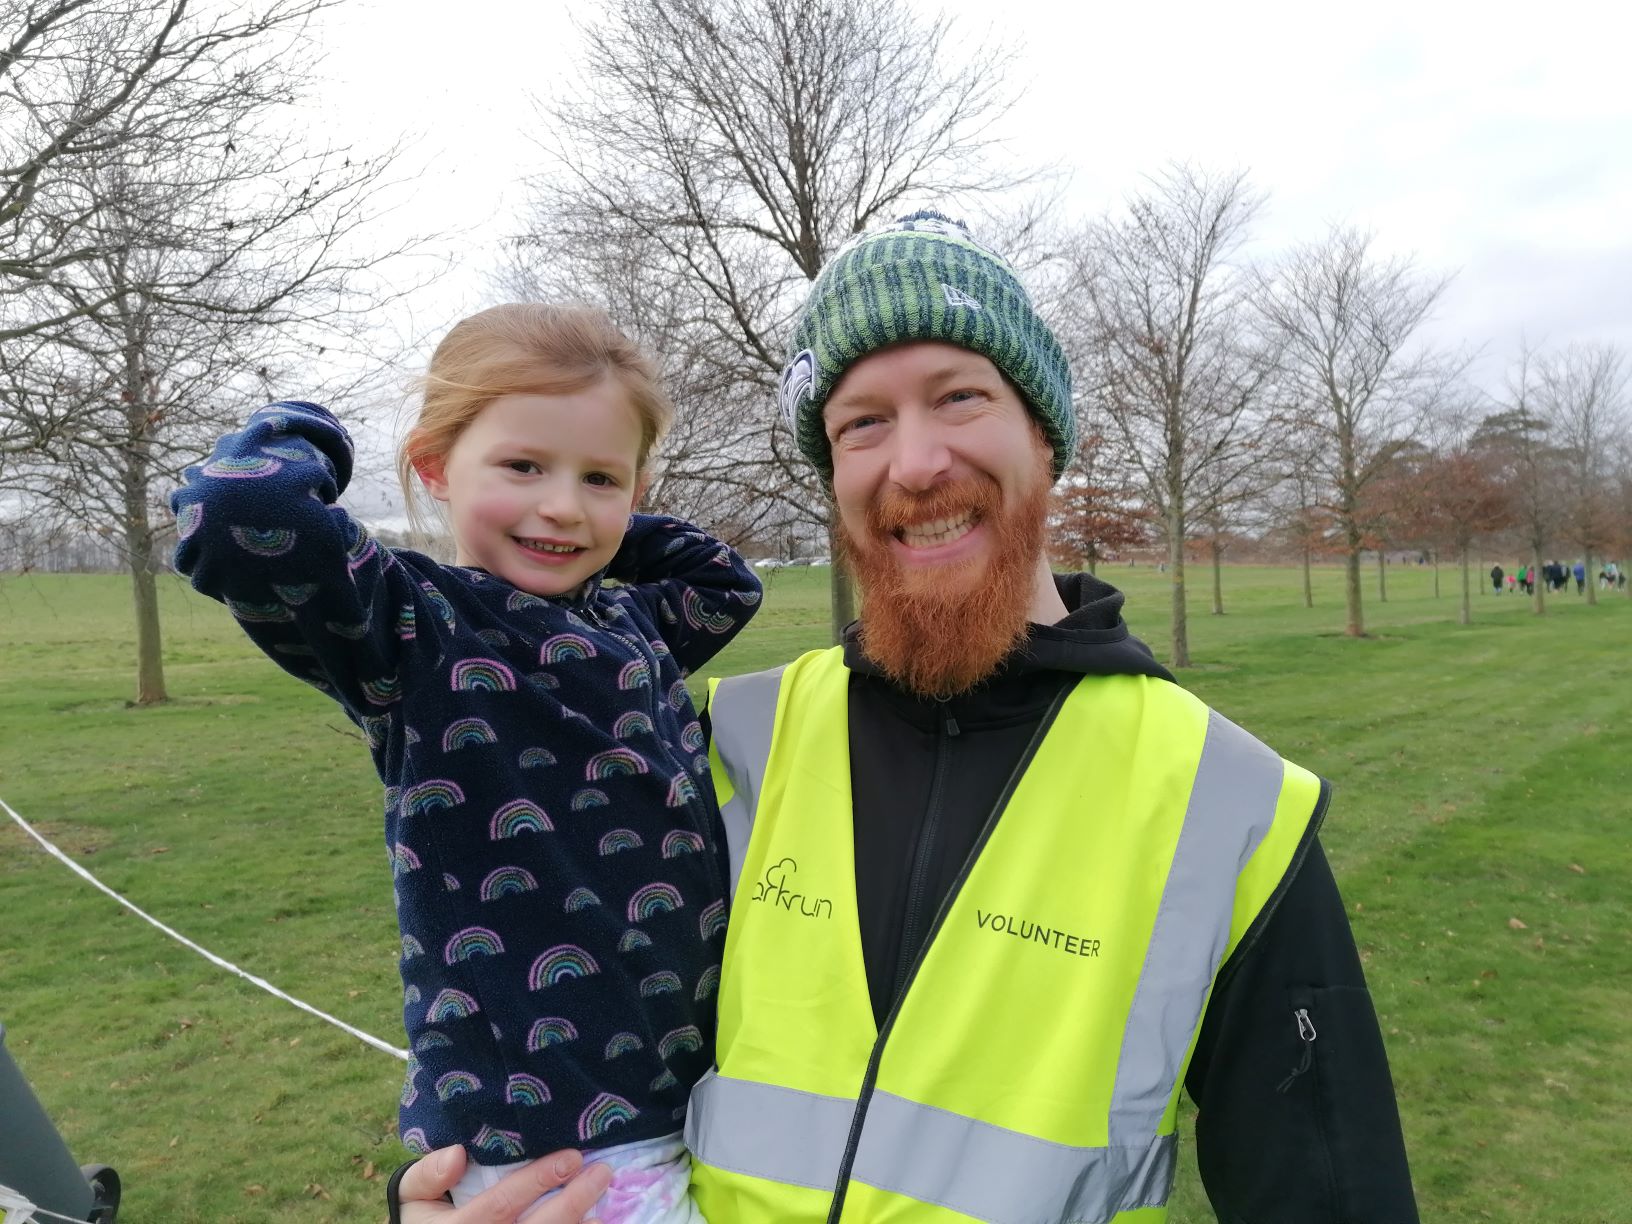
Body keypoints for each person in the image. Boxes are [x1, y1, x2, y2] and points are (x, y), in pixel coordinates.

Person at [396, 213, 1417, 1222]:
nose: (915, 463)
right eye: (862, 424)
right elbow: (531, 1005)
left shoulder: (1225, 802)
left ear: (1045, 435)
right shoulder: (725, 739)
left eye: (960, 397)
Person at [175, 304, 761, 1222]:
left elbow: (728, 582)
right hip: (552, 1137)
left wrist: (615, 516)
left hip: (691, 1096)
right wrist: (311, 430)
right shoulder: (415, 627)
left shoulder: (629, 622)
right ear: (436, 466)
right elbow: (240, 508)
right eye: (523, 465)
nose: (562, 505)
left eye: (599, 477)